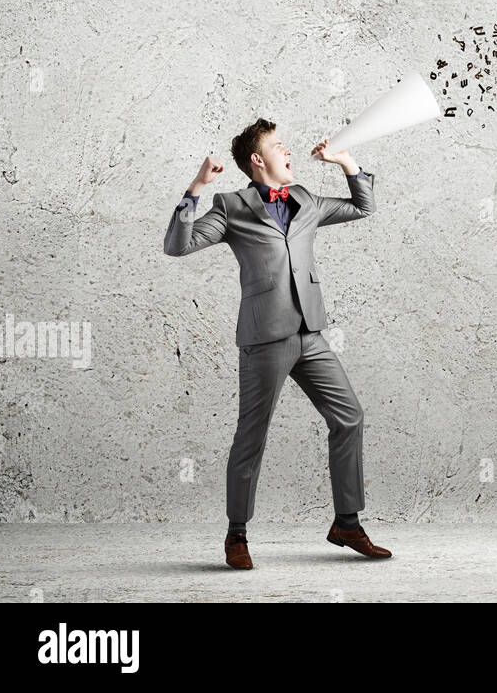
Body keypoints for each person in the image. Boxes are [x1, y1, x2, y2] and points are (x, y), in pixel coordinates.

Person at [163, 118, 391, 569]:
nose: (289, 152)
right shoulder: (231, 206)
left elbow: (363, 207)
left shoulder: (305, 199)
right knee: (252, 435)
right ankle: (237, 535)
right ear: (257, 159)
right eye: (280, 146)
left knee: (349, 418)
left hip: (311, 332)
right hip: (265, 338)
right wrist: (195, 187)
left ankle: (346, 522)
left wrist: (345, 160)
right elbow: (177, 245)